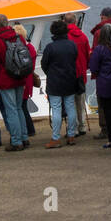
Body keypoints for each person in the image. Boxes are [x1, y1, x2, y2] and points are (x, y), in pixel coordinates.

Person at [0, 14, 31, 152]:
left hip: (6, 80)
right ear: (7, 23)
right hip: (20, 77)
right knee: (19, 108)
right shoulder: (18, 37)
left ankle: (16, 141)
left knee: (11, 110)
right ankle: (24, 137)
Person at [40, 19, 80, 147]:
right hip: (70, 80)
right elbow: (75, 58)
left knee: (56, 109)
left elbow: (44, 64)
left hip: (55, 81)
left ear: (53, 32)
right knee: (70, 107)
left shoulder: (50, 47)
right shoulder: (72, 45)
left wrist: (50, 73)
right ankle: (71, 135)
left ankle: (56, 138)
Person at [64, 13, 92, 138]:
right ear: (75, 22)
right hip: (81, 74)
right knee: (80, 102)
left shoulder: (65, 37)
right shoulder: (83, 36)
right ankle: (82, 126)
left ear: (65, 22)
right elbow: (88, 55)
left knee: (70, 103)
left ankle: (73, 128)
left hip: (69, 74)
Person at [14, 24, 39, 136]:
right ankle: (29, 129)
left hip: (22, 80)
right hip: (28, 79)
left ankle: (29, 129)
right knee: (23, 105)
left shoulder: (21, 49)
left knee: (21, 106)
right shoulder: (31, 49)